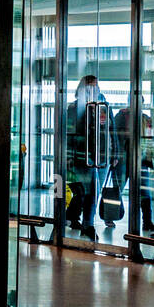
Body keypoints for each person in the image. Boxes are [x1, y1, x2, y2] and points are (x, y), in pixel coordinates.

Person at [65, 75, 113, 241]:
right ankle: (87, 224)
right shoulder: (74, 108)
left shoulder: (104, 107)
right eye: (89, 87)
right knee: (88, 191)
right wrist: (69, 155)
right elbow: (69, 133)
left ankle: (81, 221)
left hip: (102, 156)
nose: (93, 90)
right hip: (82, 156)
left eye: (95, 87)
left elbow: (111, 131)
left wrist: (114, 153)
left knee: (93, 191)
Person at [112, 107, 154, 231]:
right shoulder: (121, 116)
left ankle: (147, 221)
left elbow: (149, 139)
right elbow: (115, 137)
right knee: (118, 189)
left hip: (140, 160)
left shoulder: (144, 119)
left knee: (145, 193)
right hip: (123, 160)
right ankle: (110, 215)